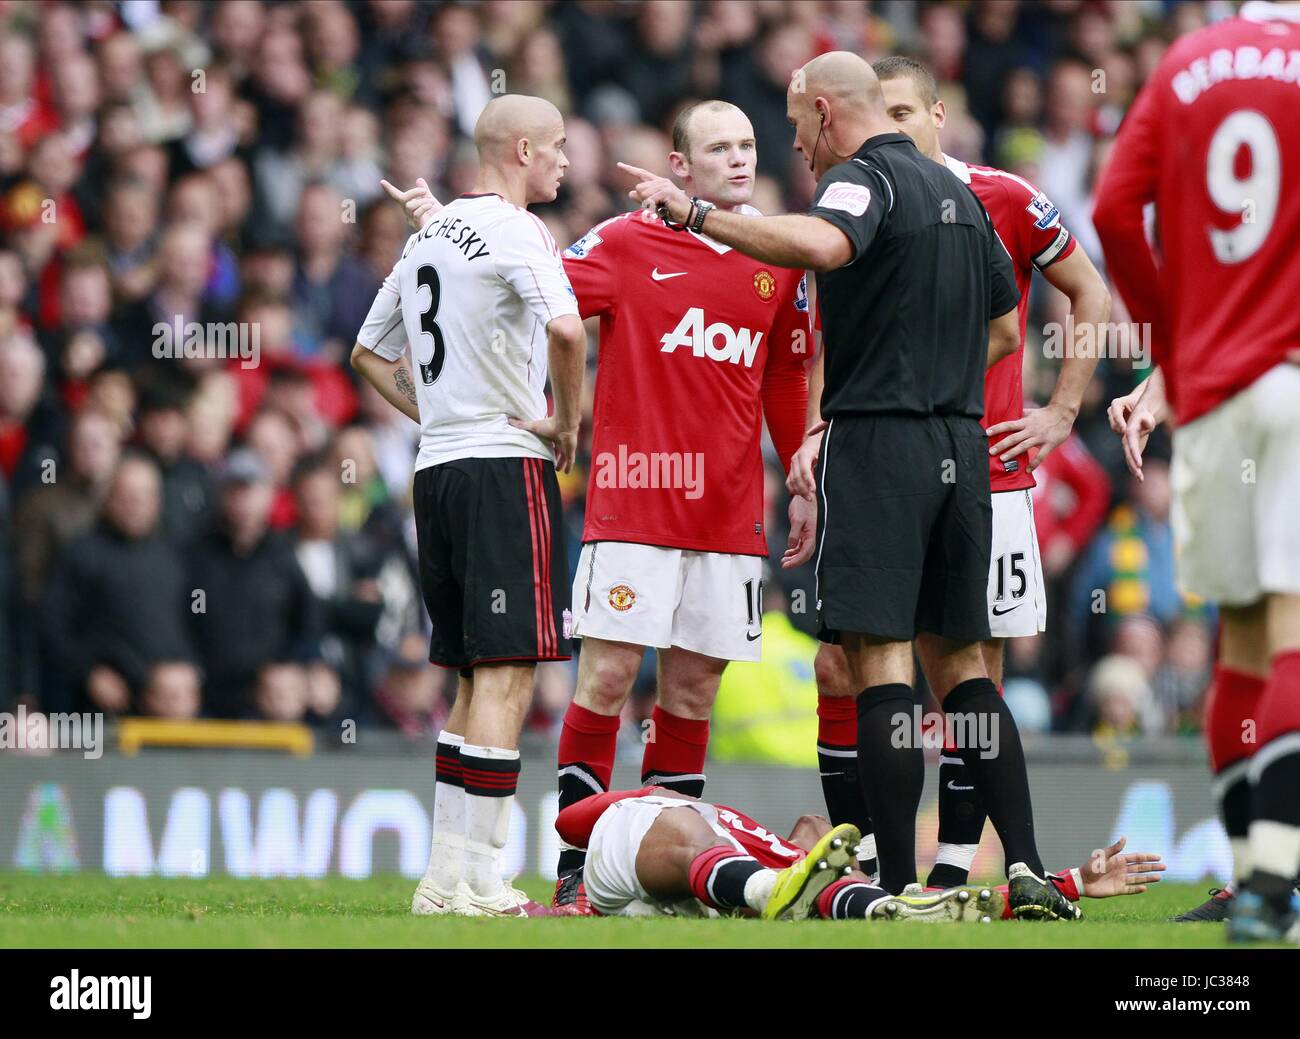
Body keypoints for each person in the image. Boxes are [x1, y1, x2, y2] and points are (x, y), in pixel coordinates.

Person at [624, 51, 1071, 919]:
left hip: (882, 448)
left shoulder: (864, 183)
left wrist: (700, 216)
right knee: (966, 672)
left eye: (796, 125)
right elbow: (1010, 328)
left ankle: (900, 886)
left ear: (828, 112)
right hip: (963, 449)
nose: (794, 145)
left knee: (880, 672)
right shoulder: (961, 195)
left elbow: (826, 243)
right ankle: (1028, 866)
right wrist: (938, 378)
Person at [384, 98, 813, 913]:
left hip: (728, 513)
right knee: (607, 680)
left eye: (749, 145)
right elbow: (523, 293)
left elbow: (788, 376)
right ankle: (578, 863)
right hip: (633, 504)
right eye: (717, 147)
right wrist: (449, 228)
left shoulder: (779, 259)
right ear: (678, 167)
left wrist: (797, 470)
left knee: (690, 696)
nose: (738, 159)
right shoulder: (621, 242)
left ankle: (661, 868)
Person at [795, 55, 1112, 892]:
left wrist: (1060, 410)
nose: (894, 126)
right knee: (895, 669)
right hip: (949, 452)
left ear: (938, 113)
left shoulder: (994, 195)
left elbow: (1088, 293)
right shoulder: (891, 198)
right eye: (883, 109)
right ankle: (952, 874)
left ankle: (946, 873)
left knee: (949, 673)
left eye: (907, 110)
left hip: (984, 461)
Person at [1093, 0, 1300, 940]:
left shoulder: (1185, 64)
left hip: (1213, 395)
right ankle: (1269, 884)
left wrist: (1171, 344)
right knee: (1294, 629)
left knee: (1243, 642)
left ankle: (1254, 875)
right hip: (1293, 378)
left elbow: (1110, 212)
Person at [352, 94, 586, 918]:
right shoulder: (520, 232)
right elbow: (567, 332)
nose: (565, 161)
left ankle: (443, 877)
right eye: (556, 147)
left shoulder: (427, 235)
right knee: (509, 671)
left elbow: (366, 353)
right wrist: (568, 422)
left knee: (466, 678)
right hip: (500, 466)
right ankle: (483, 877)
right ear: (521, 149)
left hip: (438, 469)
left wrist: (437, 413)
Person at [556, 786, 1164, 922]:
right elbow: (570, 822)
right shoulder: (739, 830)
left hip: (683, 899)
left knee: (877, 907)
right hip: (641, 845)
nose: (831, 838)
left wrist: (1068, 884)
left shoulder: (796, 861)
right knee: (679, 826)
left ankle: (848, 910)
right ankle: (770, 894)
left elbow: (925, 901)